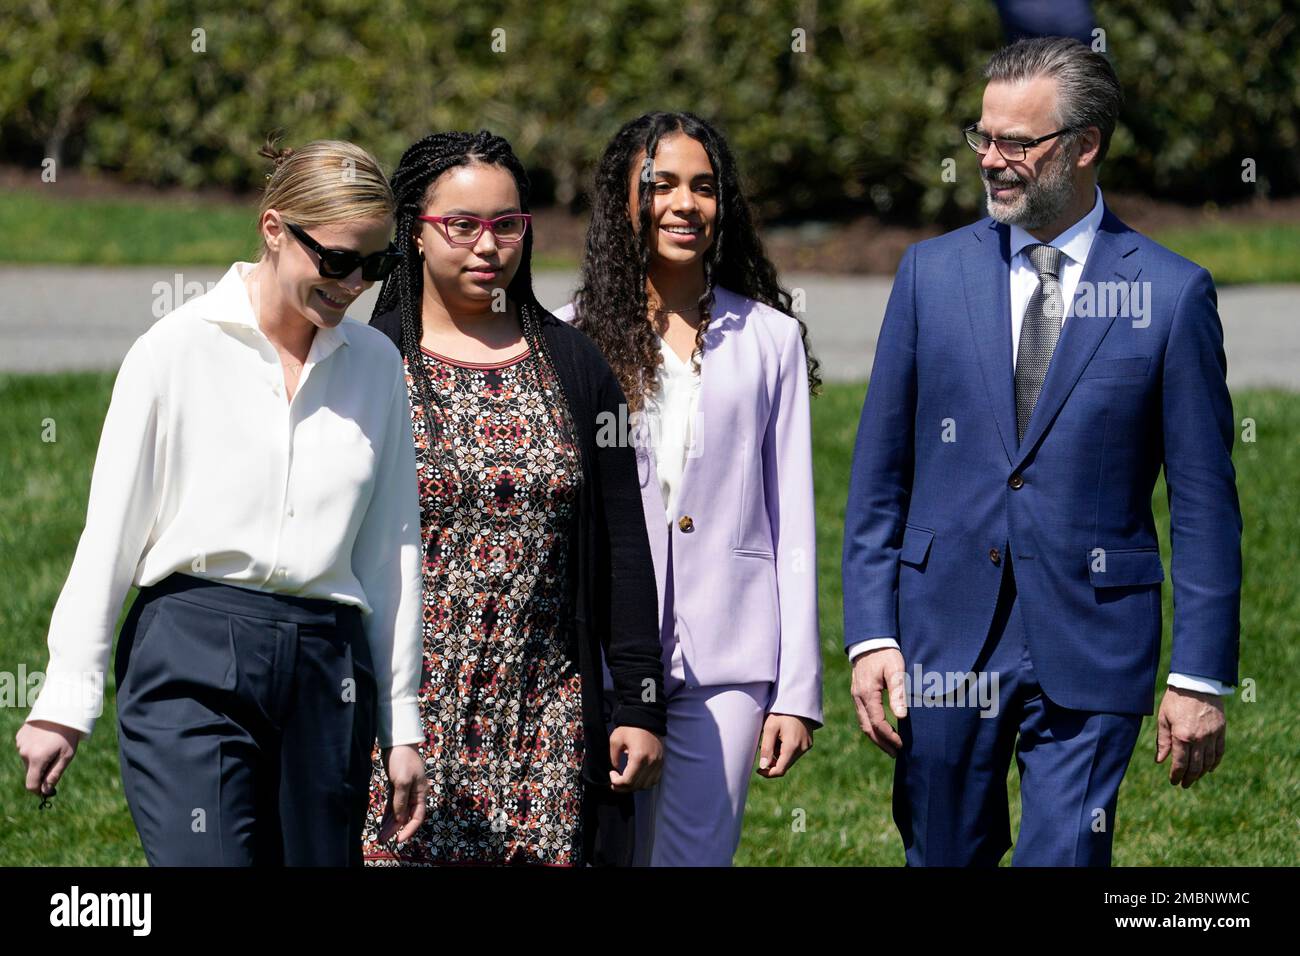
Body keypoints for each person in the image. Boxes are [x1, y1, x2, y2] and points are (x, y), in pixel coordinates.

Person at [842, 37, 1242, 866]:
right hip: (945, 632)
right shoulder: (929, 275)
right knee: (944, 853)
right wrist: (871, 634)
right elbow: (880, 475)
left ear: (1084, 145)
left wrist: (1200, 676)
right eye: (982, 137)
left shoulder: (1171, 295)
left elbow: (1204, 503)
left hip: (1094, 635)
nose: (991, 160)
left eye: (1016, 143)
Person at [14, 138, 430, 865]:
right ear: (274, 229)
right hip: (189, 652)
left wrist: (402, 723)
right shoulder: (173, 351)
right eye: (334, 260)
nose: (353, 284)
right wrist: (64, 701)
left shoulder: (377, 367)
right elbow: (109, 533)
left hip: (325, 667)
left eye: (375, 265)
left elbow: (391, 551)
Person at [364, 130, 667, 867]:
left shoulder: (574, 365)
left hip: (542, 714)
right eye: (460, 226)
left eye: (507, 225)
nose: (487, 246)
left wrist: (639, 702)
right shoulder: (368, 363)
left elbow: (623, 545)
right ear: (413, 232)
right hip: (396, 718)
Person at [556, 111, 824, 866]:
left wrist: (797, 688)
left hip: (730, 659)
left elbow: (795, 522)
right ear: (624, 201)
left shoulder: (770, 337)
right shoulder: (574, 337)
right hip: (607, 656)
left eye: (704, 187)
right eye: (662, 185)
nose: (685, 204)